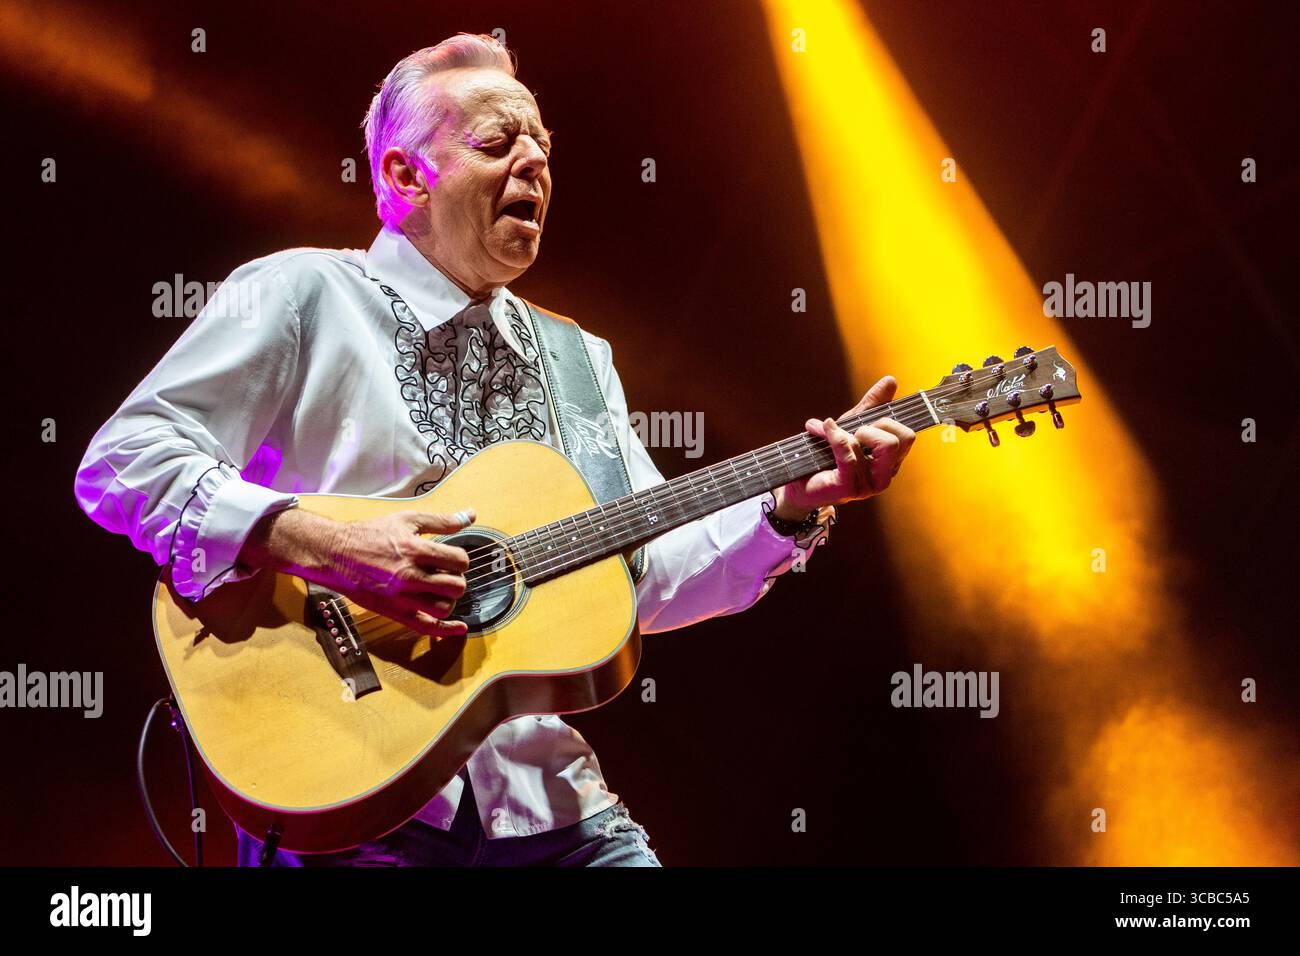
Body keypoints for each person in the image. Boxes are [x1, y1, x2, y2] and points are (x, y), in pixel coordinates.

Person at [74, 33, 915, 866]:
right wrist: (330, 547)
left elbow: (640, 580)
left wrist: (790, 507)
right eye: (497, 141)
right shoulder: (300, 293)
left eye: (542, 145)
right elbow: (124, 461)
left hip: (549, 808)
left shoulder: (580, 360)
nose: (535, 164)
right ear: (405, 177)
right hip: (348, 789)